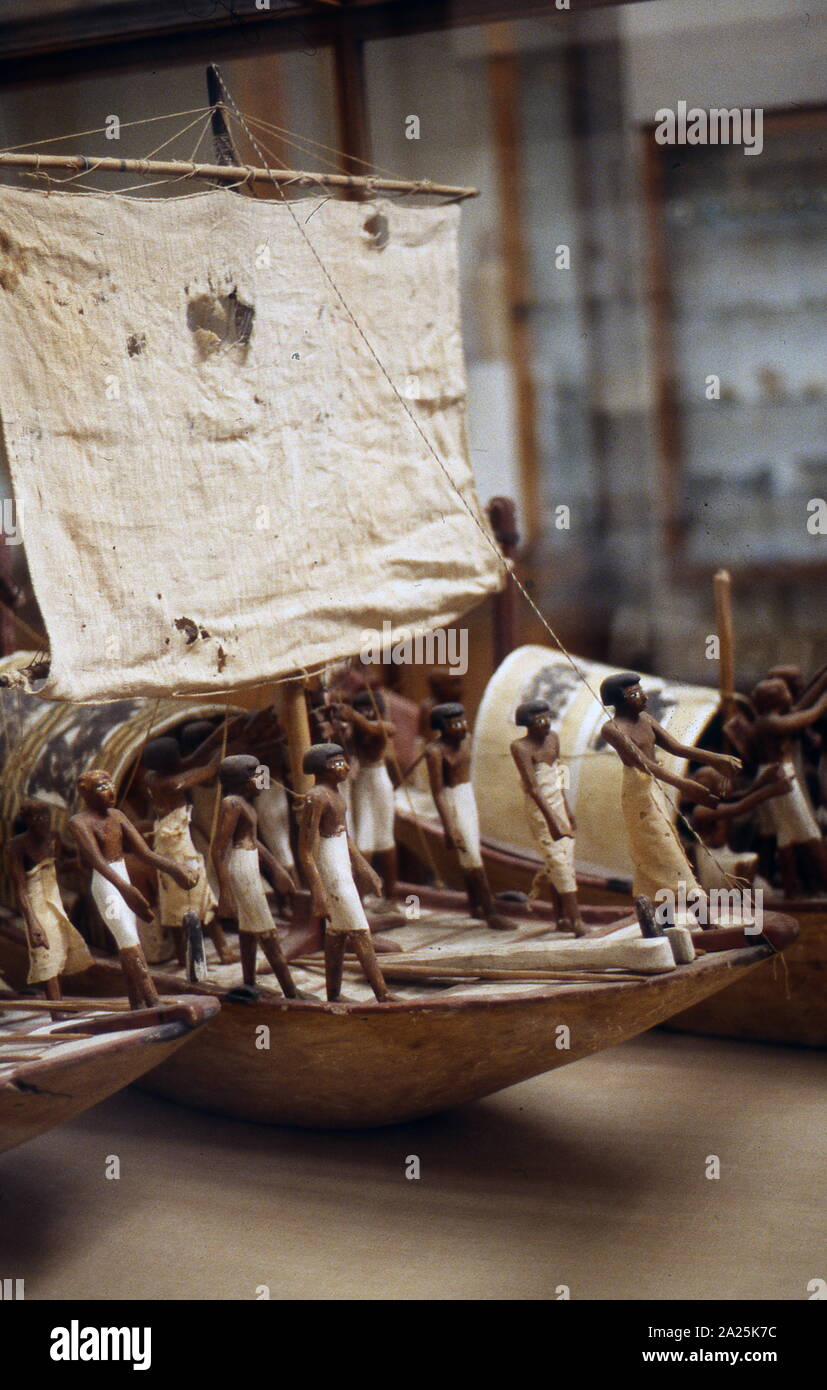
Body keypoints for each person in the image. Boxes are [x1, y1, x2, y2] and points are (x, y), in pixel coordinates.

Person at [599, 672, 740, 908]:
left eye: (641, 690)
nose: (643, 697)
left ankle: (657, 917)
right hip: (639, 793)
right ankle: (705, 922)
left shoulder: (646, 719)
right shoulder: (612, 729)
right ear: (618, 701)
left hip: (654, 786)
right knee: (666, 851)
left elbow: (676, 747)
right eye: (634, 694)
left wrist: (716, 759)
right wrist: (684, 783)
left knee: (654, 853)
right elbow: (644, 763)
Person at [69, 769, 196, 1008]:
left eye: (110, 784)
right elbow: (97, 862)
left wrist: (175, 868)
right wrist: (126, 890)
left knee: (128, 939)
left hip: (122, 876)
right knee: (128, 939)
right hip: (107, 883)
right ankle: (153, 1000)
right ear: (85, 793)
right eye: (100, 787)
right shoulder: (79, 822)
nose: (109, 791)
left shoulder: (117, 815)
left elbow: (144, 852)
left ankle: (136, 1003)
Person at [298, 743, 391, 1003]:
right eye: (338, 763)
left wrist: (365, 869)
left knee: (337, 931)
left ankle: (333, 994)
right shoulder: (316, 797)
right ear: (320, 769)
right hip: (330, 866)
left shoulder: (335, 794)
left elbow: (346, 837)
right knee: (359, 929)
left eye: (344, 761)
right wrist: (317, 893)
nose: (346, 767)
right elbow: (305, 851)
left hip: (340, 862)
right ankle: (382, 994)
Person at [142, 736, 235, 965]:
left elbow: (192, 759)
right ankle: (224, 950)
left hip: (165, 846)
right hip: (178, 849)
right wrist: (225, 747)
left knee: (172, 900)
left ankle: (182, 956)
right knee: (200, 895)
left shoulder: (152, 776)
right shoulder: (173, 784)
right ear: (170, 762)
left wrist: (219, 734)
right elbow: (210, 770)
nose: (181, 759)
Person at [211, 754, 298, 995]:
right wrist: (225, 893)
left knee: (249, 930)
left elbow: (253, 841)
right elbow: (218, 849)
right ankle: (290, 990)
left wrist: (276, 869)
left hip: (248, 862)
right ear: (243, 780)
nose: (263, 780)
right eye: (258, 776)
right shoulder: (233, 804)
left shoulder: (245, 804)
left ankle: (249, 983)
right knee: (267, 932)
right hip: (242, 866)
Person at [425, 702, 512, 930]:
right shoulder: (434, 751)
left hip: (467, 796)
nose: (462, 727)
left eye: (463, 721)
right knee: (472, 855)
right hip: (452, 799)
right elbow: (437, 792)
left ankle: (475, 906)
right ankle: (490, 910)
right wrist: (448, 826)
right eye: (456, 723)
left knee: (469, 853)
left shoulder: (466, 739)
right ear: (442, 726)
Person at [510, 699, 592, 936]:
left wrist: (566, 809)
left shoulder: (553, 738)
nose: (546, 724)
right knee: (558, 861)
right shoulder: (520, 747)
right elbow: (533, 788)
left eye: (548, 717)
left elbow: (558, 774)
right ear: (526, 723)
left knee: (564, 859)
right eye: (539, 720)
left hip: (557, 804)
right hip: (540, 810)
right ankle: (576, 920)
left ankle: (561, 919)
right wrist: (552, 820)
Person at [8, 797, 93, 1003]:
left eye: (45, 816)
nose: (42, 821)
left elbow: (70, 857)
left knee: (61, 943)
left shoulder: (52, 838)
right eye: (36, 817)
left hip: (54, 896)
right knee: (46, 951)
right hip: (36, 901)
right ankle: (57, 1008)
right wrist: (32, 921)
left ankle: (62, 1001)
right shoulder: (17, 846)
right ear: (27, 820)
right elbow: (21, 888)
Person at [749, 677, 827, 896]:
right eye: (785, 691)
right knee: (808, 833)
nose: (790, 693)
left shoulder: (770, 718)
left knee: (786, 836)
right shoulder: (770, 722)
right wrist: (823, 703)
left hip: (775, 774)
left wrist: (822, 679)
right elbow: (804, 716)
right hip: (780, 778)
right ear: (775, 701)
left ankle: (791, 888)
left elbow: (800, 707)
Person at [335, 689, 398, 900]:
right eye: (362, 711)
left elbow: (376, 729)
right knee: (364, 839)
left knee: (383, 839)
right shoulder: (355, 730)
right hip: (361, 783)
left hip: (377, 781)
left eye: (370, 711)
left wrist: (354, 716)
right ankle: (361, 899)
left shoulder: (381, 727)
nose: (366, 715)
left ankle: (389, 898)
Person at [690, 764, 792, 892]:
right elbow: (739, 807)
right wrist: (772, 791)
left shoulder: (715, 803)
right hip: (710, 861)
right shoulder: (700, 810)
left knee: (763, 886)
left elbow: (743, 795)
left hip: (721, 854)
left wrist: (764, 780)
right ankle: (738, 903)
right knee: (749, 862)